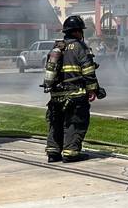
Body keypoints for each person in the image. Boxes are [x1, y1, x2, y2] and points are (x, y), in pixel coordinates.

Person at [43, 15, 105, 163]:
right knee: (75, 122)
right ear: (77, 32)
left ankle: (53, 152)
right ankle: (71, 152)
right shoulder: (80, 47)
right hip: (75, 94)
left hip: (56, 94)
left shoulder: (58, 47)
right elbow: (88, 71)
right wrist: (94, 90)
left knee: (56, 122)